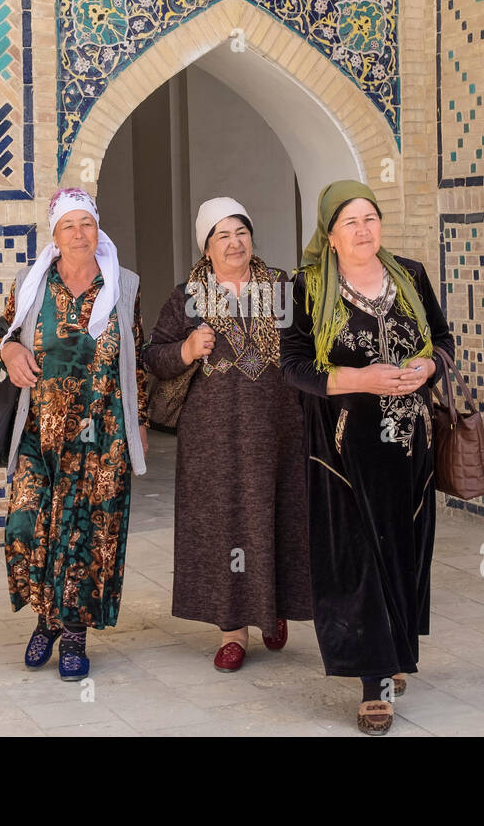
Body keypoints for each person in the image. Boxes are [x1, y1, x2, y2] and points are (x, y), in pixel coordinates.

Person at [279, 180, 454, 735]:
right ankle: (375, 678)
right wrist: (362, 378)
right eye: (350, 222)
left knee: (405, 550)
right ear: (330, 235)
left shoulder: (411, 275)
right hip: (344, 450)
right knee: (358, 557)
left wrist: (428, 368)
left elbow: (444, 341)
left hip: (410, 445)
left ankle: (394, 647)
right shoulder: (304, 288)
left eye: (370, 219)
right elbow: (294, 366)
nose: (363, 230)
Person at [143, 198, 312, 672]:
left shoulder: (282, 288)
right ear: (206, 246)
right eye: (222, 235)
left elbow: (313, 348)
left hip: (280, 430)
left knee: (279, 517)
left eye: (241, 231)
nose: (234, 242)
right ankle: (232, 630)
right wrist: (187, 348)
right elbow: (153, 356)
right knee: (223, 526)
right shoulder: (188, 297)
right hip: (211, 439)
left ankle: (275, 608)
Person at [0, 187, 148, 681]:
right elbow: (1, 334)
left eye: (87, 224)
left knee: (86, 534)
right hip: (41, 429)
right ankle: (45, 617)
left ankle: (71, 633)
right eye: (68, 226)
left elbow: (135, 358)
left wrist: (139, 423)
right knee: (24, 526)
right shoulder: (31, 283)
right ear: (54, 236)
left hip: (103, 431)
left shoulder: (123, 284)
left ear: (97, 229)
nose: (79, 234)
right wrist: (11, 352)